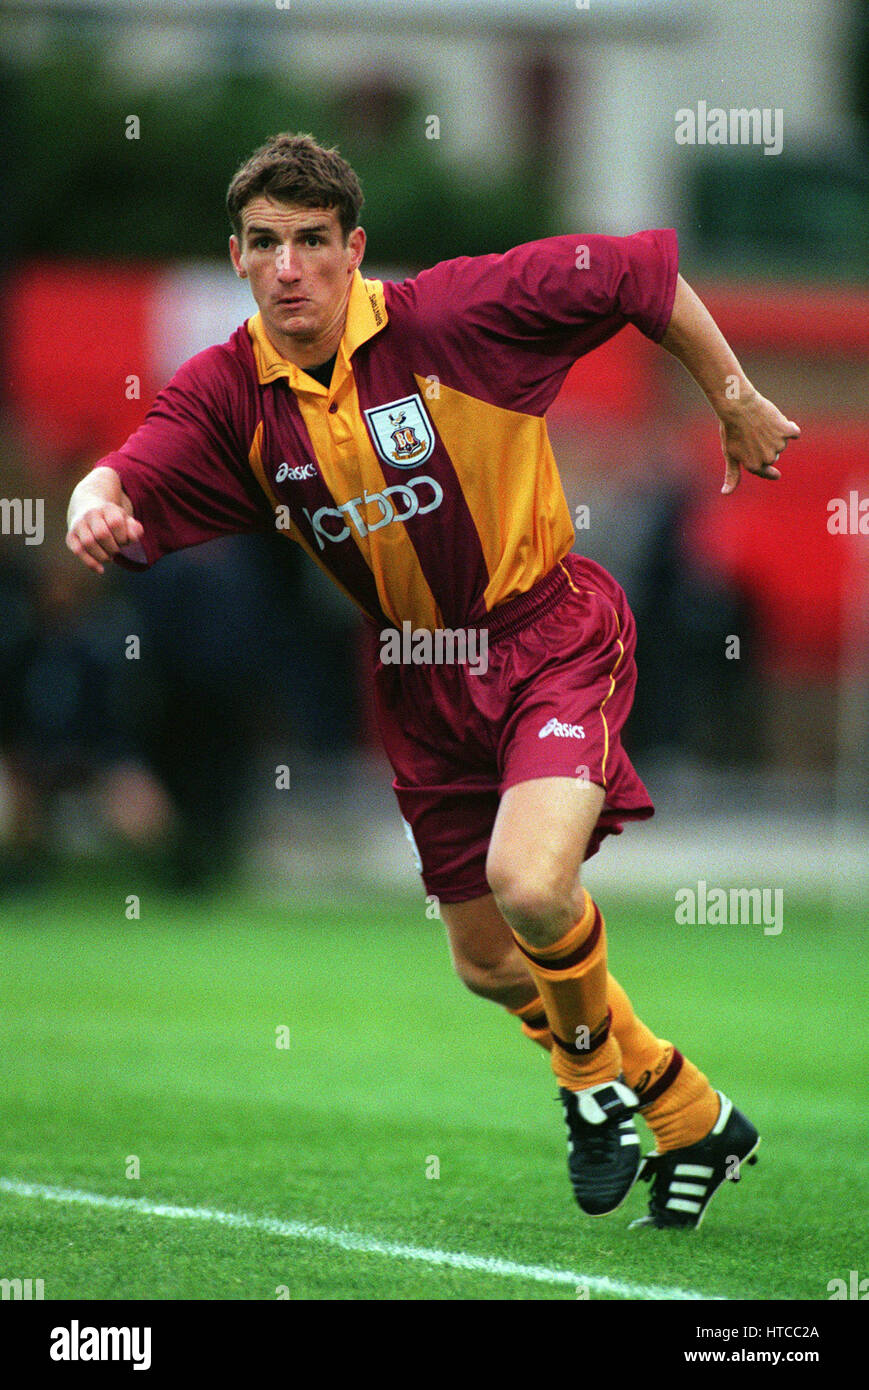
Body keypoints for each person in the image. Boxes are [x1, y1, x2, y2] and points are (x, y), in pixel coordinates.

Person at [66, 133, 799, 1228]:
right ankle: (685, 1107)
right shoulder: (229, 391)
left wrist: (731, 396)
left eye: (313, 242)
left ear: (353, 249)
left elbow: (645, 276)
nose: (289, 267)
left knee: (534, 886)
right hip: (418, 677)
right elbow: (130, 464)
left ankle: (587, 1084)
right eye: (265, 245)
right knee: (487, 963)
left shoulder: (457, 314)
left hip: (546, 633)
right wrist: (91, 498)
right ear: (237, 257)